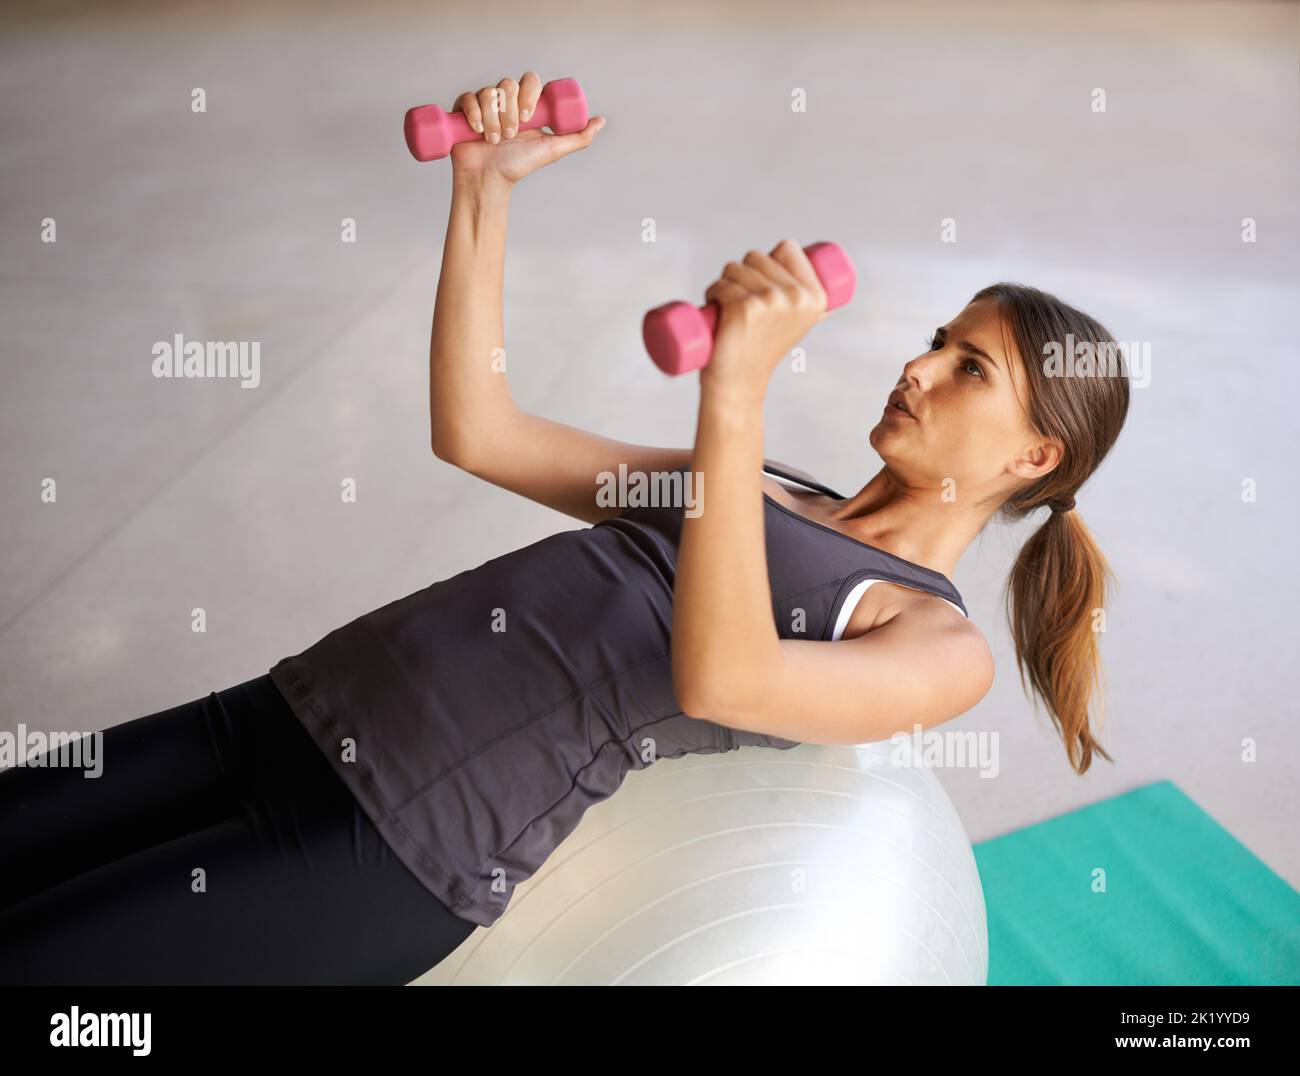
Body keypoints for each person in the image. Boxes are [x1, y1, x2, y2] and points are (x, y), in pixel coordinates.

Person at [0, 72, 1130, 986]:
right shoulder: (758, 481)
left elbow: (726, 675)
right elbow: (479, 429)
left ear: (1034, 458)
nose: (917, 364)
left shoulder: (926, 640)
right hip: (290, 708)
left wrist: (732, 389)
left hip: (383, 852)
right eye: (937, 337)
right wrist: (482, 193)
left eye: (966, 367)